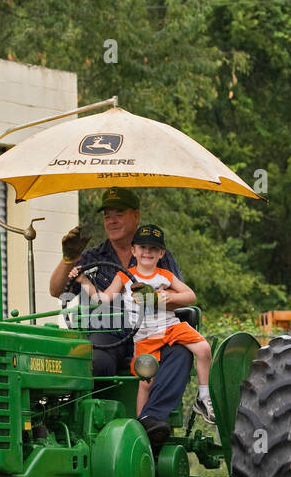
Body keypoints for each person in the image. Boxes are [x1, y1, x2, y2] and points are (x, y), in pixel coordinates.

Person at [49, 187, 195, 444]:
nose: (111, 220)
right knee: (94, 357)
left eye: (119, 213)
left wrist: (155, 299)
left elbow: (178, 299)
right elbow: (56, 290)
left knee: (182, 352)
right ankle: (93, 431)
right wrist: (68, 259)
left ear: (136, 217)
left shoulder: (159, 256)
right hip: (108, 332)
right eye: (107, 215)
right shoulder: (93, 257)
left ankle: (151, 420)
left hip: (152, 331)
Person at [72, 223, 215, 423]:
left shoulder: (165, 275)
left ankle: (204, 397)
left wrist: (161, 297)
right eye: (142, 248)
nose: (147, 252)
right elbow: (102, 299)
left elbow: (190, 295)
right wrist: (84, 281)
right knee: (145, 382)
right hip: (145, 335)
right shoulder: (124, 276)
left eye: (153, 248)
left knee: (203, 349)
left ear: (161, 253)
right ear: (134, 250)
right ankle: (142, 424)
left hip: (170, 327)